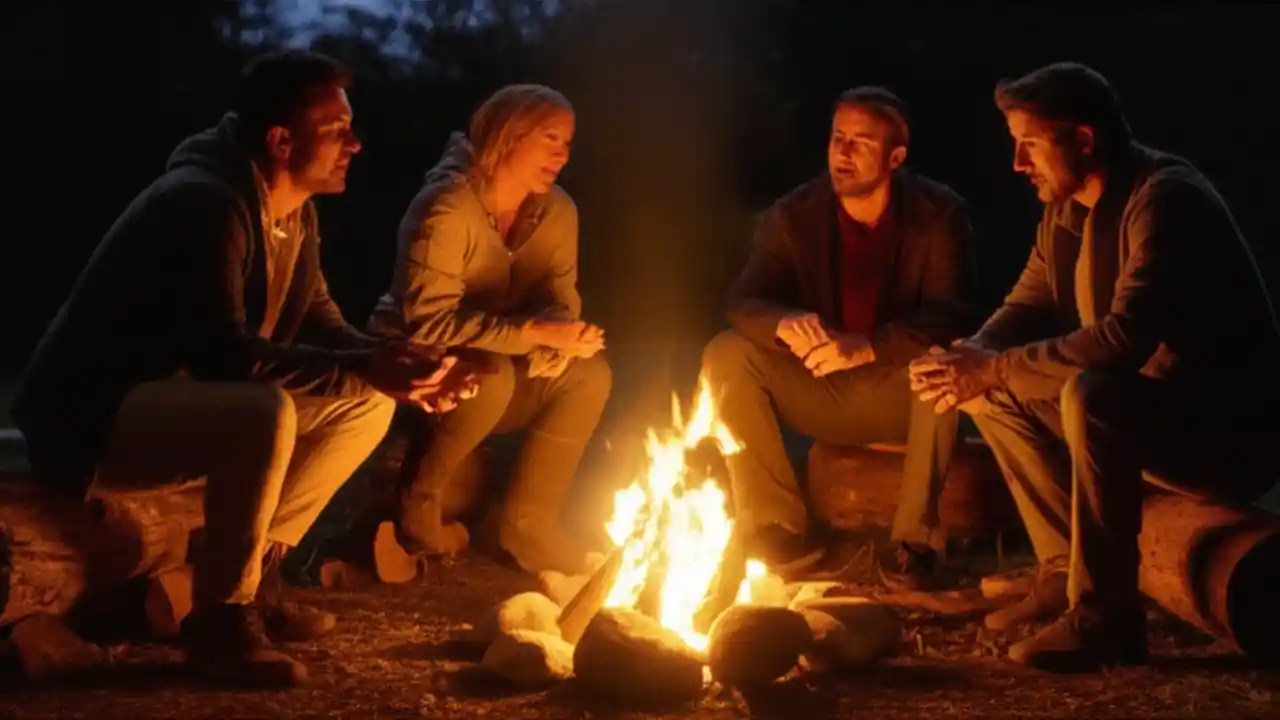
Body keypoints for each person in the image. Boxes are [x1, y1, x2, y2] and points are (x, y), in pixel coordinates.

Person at [12, 50, 475, 687]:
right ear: (282, 141)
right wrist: (371, 365)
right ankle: (220, 622)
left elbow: (320, 319)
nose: (356, 144)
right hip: (92, 418)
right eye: (337, 130)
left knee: (365, 403)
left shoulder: (290, 210)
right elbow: (224, 357)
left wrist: (392, 364)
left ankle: (258, 579)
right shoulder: (204, 204)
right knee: (265, 410)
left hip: (175, 403)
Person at [908, 62, 1280, 672]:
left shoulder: (1164, 199)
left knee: (1089, 392)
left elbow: (1122, 340)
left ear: (1083, 140)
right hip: (1150, 417)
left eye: (1030, 145)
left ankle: (1106, 618)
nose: (1017, 165)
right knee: (987, 392)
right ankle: (1063, 567)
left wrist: (993, 367)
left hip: (1224, 436)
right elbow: (1024, 305)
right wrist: (965, 358)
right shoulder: (1066, 212)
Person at [700, 86, 978, 587]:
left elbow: (953, 316)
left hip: (900, 391)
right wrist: (784, 324)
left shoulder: (939, 217)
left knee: (942, 360)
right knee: (726, 353)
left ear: (896, 157)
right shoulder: (794, 216)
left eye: (862, 142)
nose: (843, 153)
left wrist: (866, 345)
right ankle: (776, 527)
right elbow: (744, 301)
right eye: (838, 138)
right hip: (819, 386)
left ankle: (916, 543)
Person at [368, 83, 610, 575]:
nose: (562, 154)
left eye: (568, 142)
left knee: (590, 377)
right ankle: (417, 508)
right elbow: (428, 321)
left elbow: (560, 297)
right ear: (509, 136)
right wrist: (534, 334)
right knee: (491, 375)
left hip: (501, 364)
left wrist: (562, 339)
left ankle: (528, 522)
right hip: (416, 370)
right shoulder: (446, 208)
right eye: (550, 138)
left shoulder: (557, 211)